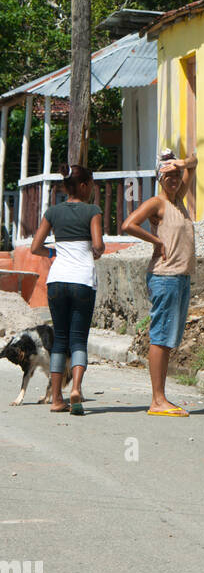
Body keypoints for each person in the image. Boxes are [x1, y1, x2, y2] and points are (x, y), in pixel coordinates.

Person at [121, 150, 197, 417]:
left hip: (180, 276)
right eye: (168, 176)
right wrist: (156, 241)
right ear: (159, 179)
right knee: (161, 336)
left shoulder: (179, 201)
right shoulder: (158, 202)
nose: (174, 179)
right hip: (165, 276)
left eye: (177, 175)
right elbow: (128, 224)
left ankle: (161, 396)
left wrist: (181, 163)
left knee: (168, 338)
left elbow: (195, 161)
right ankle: (157, 399)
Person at [30, 164, 104, 415]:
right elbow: (98, 245)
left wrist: (54, 251)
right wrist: (94, 251)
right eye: (91, 184)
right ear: (83, 186)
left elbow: (35, 247)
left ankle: (57, 399)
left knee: (59, 340)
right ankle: (77, 390)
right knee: (78, 340)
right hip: (82, 281)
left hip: (56, 281)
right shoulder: (93, 211)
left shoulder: (53, 212)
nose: (92, 188)